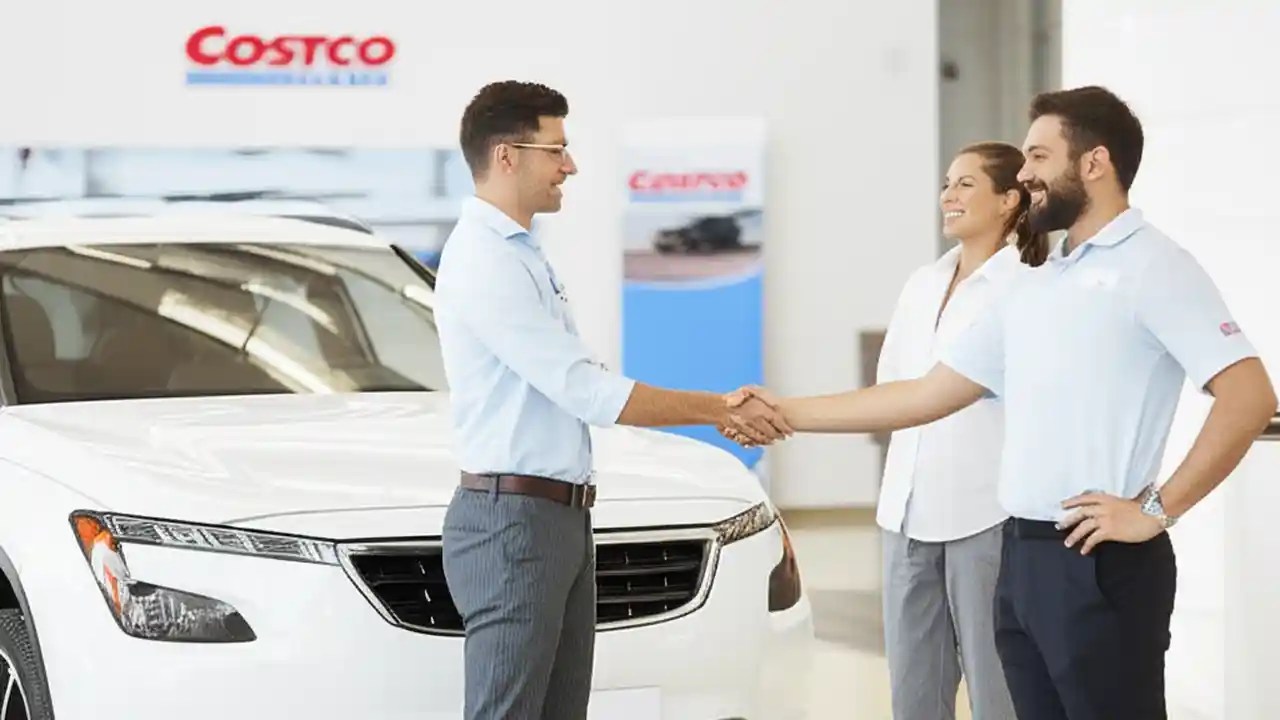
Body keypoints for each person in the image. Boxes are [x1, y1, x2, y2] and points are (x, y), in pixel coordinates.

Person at [726, 85, 1277, 720]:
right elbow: (925, 394)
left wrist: (1156, 510)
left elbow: (1249, 394)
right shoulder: (1037, 283)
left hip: (1100, 561)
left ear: (1093, 164)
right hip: (1021, 557)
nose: (1024, 175)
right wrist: (782, 413)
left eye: (1039, 158)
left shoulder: (1155, 266)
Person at [432, 80, 791, 720]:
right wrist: (719, 409)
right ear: (507, 155)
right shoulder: (485, 260)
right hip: (514, 523)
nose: (569, 165)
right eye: (556, 149)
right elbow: (587, 390)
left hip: (557, 517)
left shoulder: (522, 253)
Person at [873, 140, 1047, 720]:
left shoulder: (1026, 287)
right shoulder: (922, 284)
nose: (948, 194)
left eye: (966, 183)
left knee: (996, 685)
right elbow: (892, 387)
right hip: (904, 512)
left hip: (986, 513)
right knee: (913, 692)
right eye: (947, 182)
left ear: (1009, 200)